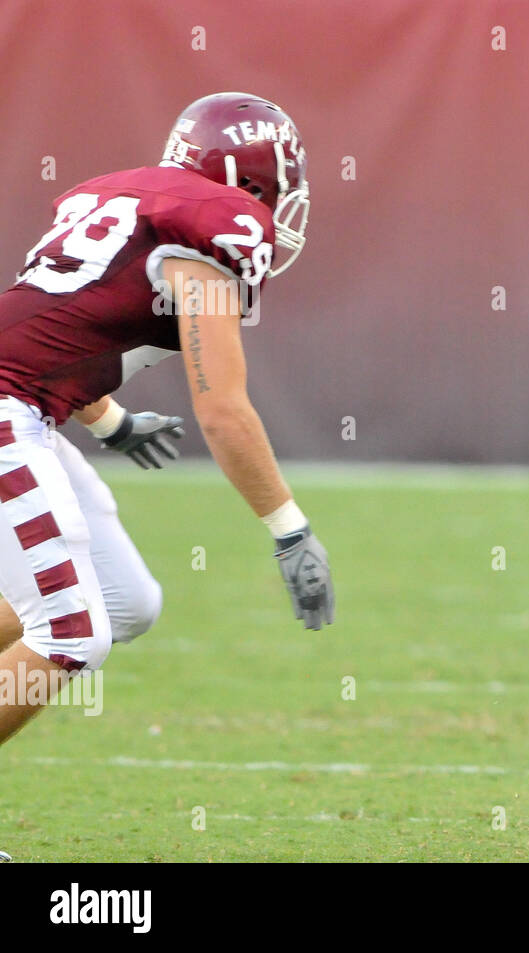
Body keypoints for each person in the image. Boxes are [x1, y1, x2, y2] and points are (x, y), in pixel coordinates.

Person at [0, 91, 334, 746]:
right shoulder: (215, 228)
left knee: (124, 598)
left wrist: (111, 423)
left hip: (23, 405)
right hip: (7, 411)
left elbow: (45, 336)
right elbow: (223, 409)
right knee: (70, 634)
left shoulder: (117, 202)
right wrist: (290, 530)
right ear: (249, 180)